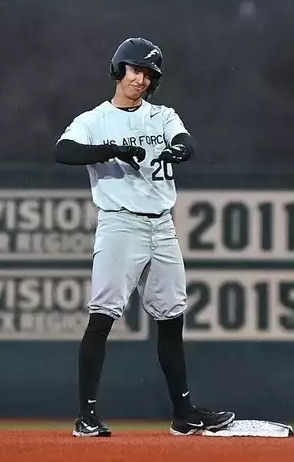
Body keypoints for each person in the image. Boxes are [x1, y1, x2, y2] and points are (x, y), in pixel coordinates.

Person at [53, 37, 237, 439]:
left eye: (149, 75)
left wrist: (179, 151)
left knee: (172, 317)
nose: (141, 80)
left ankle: (183, 413)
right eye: (136, 70)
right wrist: (110, 149)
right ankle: (86, 416)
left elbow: (185, 142)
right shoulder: (96, 119)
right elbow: (63, 150)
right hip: (120, 222)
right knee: (102, 315)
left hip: (162, 224)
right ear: (119, 70)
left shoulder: (162, 116)